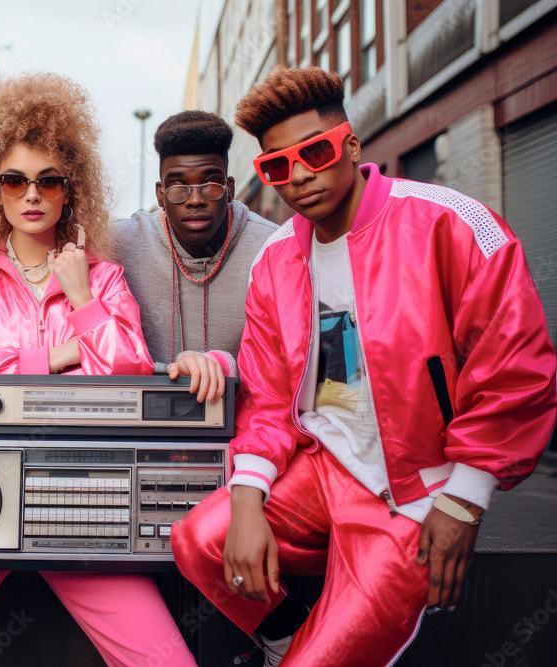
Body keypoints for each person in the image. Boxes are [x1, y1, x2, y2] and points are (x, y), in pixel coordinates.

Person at [170, 66, 557, 666]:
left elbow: (516, 369)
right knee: (198, 540)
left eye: (315, 152)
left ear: (351, 145)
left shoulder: (449, 222)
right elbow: (270, 397)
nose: (298, 177)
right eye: (277, 166)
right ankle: (284, 643)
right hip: (320, 468)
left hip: (415, 493)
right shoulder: (276, 259)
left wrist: (464, 500)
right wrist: (246, 503)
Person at [0, 73, 198, 667]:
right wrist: (51, 359)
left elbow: (128, 378)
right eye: (14, 179)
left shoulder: (102, 279)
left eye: (49, 180)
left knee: (164, 660)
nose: (32, 194)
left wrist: (83, 300)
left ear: (70, 190)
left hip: (85, 507)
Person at [111, 110, 277, 399]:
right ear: (160, 195)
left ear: (229, 189)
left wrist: (225, 369)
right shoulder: (119, 244)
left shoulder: (271, 247)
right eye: (178, 187)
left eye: (210, 184)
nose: (196, 199)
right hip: (147, 429)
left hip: (244, 432)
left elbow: (285, 364)